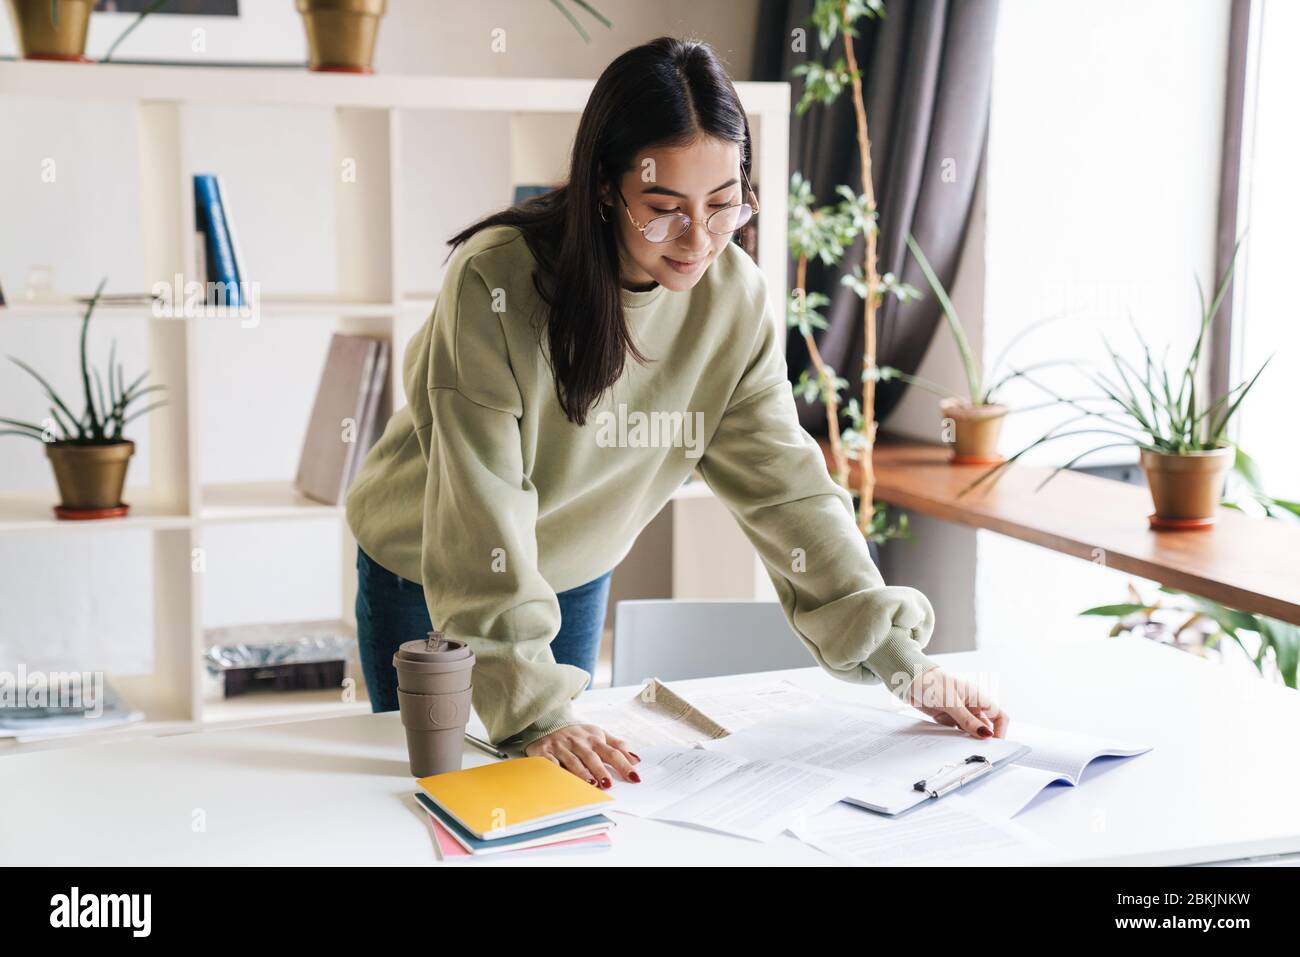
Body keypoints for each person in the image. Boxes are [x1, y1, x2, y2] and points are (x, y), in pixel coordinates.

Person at [345, 36, 1008, 790]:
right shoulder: (495, 283)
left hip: (574, 569)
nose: (700, 241)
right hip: (429, 567)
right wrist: (535, 710)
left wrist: (905, 664)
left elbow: (787, 490)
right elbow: (478, 512)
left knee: (560, 797)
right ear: (604, 187)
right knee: (422, 798)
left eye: (725, 205)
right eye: (664, 210)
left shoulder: (735, 299)